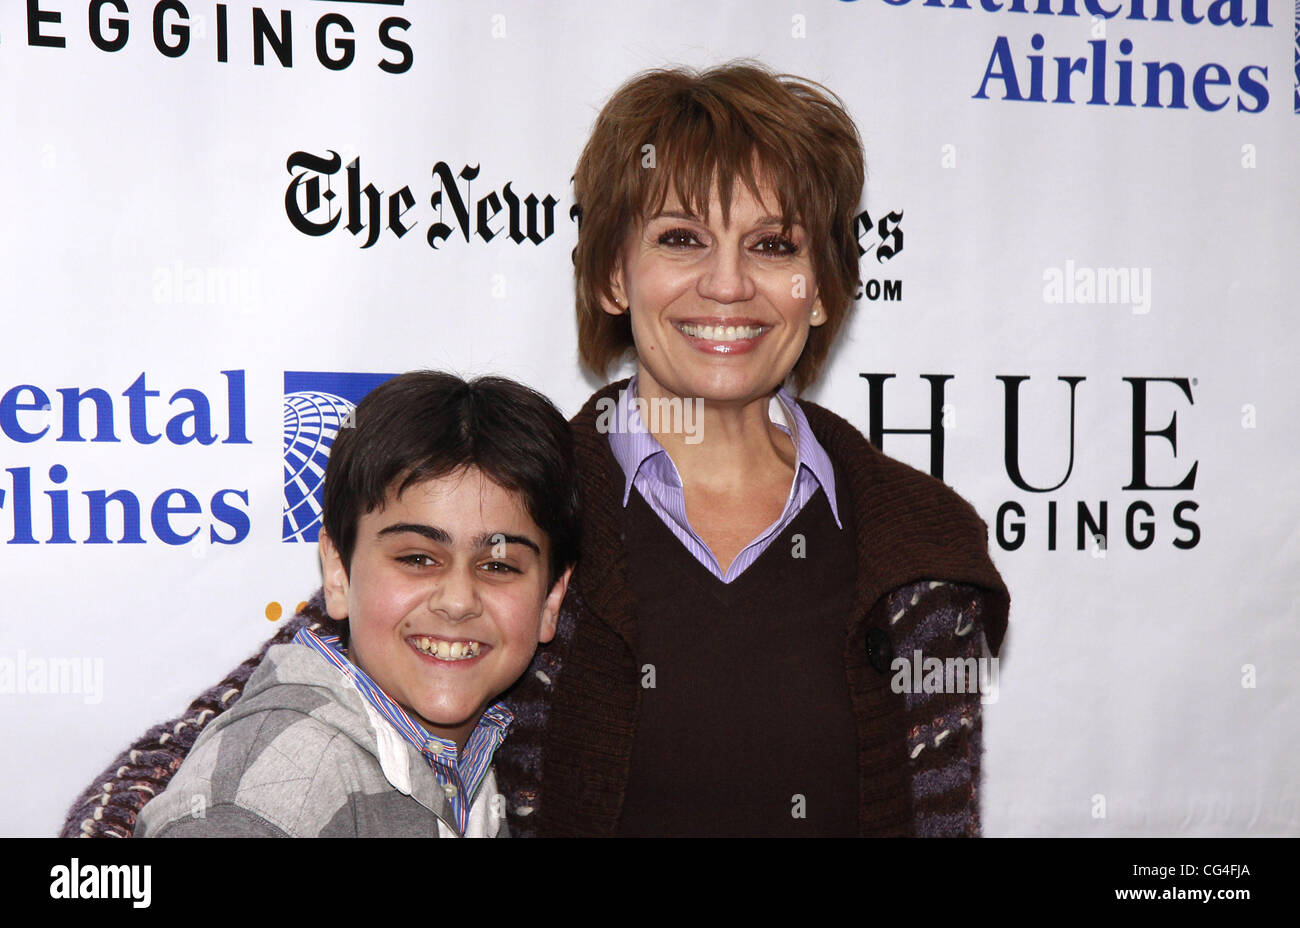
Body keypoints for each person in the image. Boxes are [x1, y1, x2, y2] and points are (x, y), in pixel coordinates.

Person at [64, 61, 1009, 839]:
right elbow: (170, 776)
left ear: (825, 287)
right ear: (610, 273)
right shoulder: (515, 504)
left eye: (772, 245)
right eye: (680, 237)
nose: (729, 286)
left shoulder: (920, 548)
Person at [133, 371, 578, 837]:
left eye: (499, 566)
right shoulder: (267, 791)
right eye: (418, 558)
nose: (458, 601)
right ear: (338, 573)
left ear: (551, 599)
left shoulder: (472, 764)